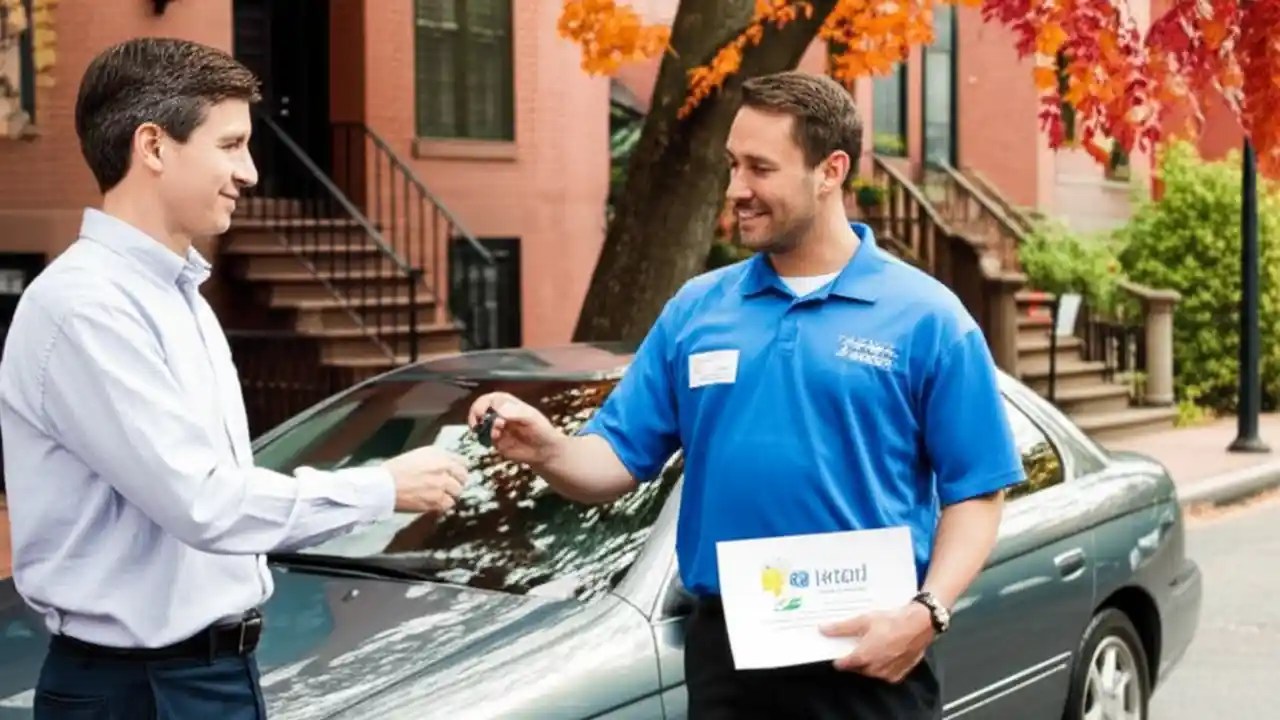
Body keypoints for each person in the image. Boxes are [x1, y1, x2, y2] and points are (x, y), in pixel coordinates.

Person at [468, 70, 1026, 719]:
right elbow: (615, 461)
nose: (736, 189)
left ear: (830, 170)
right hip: (727, 663)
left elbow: (978, 491)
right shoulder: (697, 310)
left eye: (760, 168)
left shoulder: (928, 317)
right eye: (733, 165)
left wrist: (927, 612)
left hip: (873, 658)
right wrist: (548, 450)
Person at [0, 38, 469, 719]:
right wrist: (382, 487)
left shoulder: (179, 295)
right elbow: (204, 502)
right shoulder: (85, 307)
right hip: (139, 692)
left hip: (210, 674)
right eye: (230, 145)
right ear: (154, 147)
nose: (249, 172)